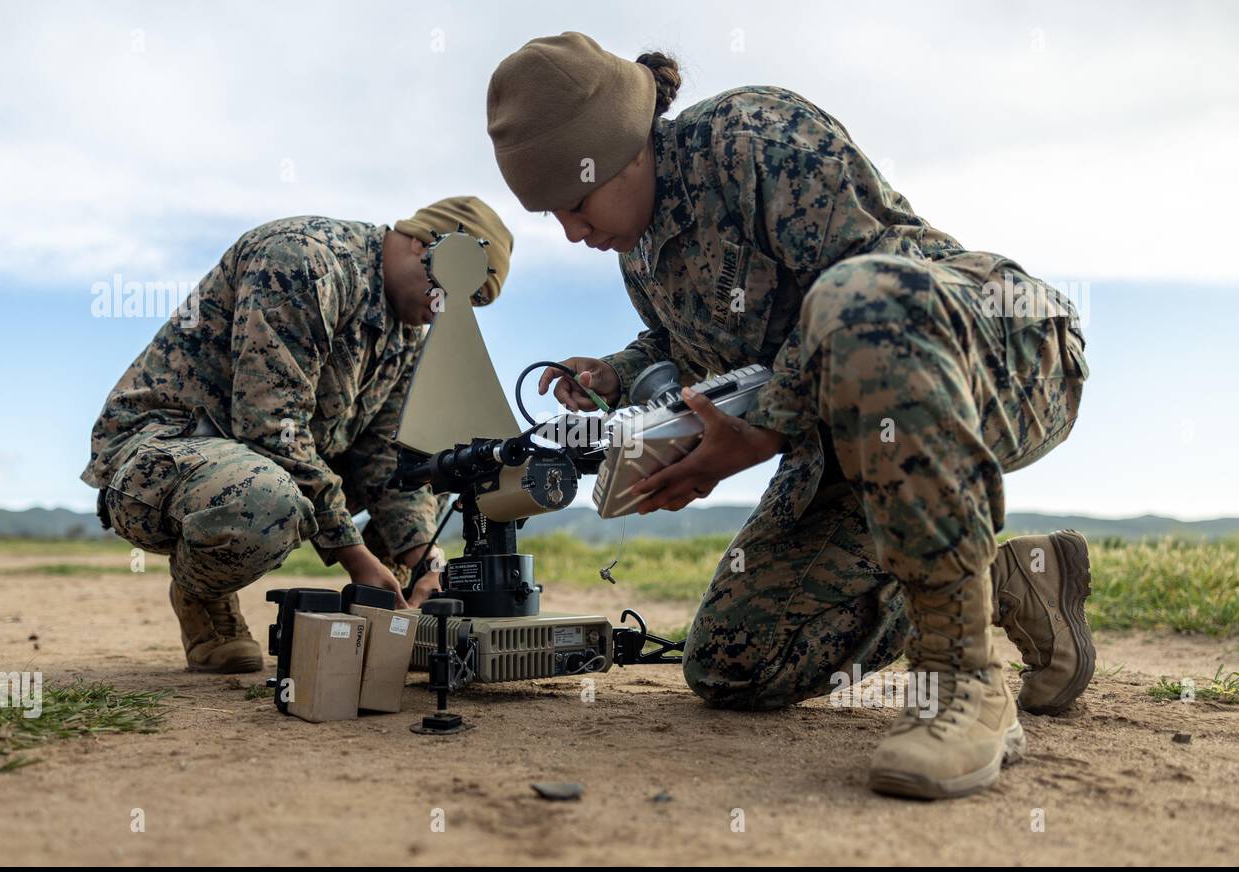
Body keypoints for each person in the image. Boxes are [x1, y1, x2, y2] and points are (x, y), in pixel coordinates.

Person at [486, 33, 1092, 799]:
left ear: (624, 152)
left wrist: (757, 435)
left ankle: (960, 680)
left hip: (1004, 361)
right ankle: (1009, 578)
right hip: (857, 441)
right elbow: (690, 345)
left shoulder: (756, 139)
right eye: (553, 216)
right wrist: (620, 372)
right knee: (736, 661)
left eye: (574, 204)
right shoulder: (640, 250)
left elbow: (873, 303)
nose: (573, 232)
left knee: (858, 302)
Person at [81, 198, 513, 674]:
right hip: (163, 455)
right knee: (264, 501)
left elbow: (386, 461)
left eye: (469, 302)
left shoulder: (405, 335)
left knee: (419, 478)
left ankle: (387, 618)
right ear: (419, 243)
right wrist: (355, 556)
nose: (445, 309)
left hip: (267, 456)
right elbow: (269, 426)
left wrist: (425, 558)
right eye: (450, 287)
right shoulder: (304, 261)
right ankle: (203, 595)